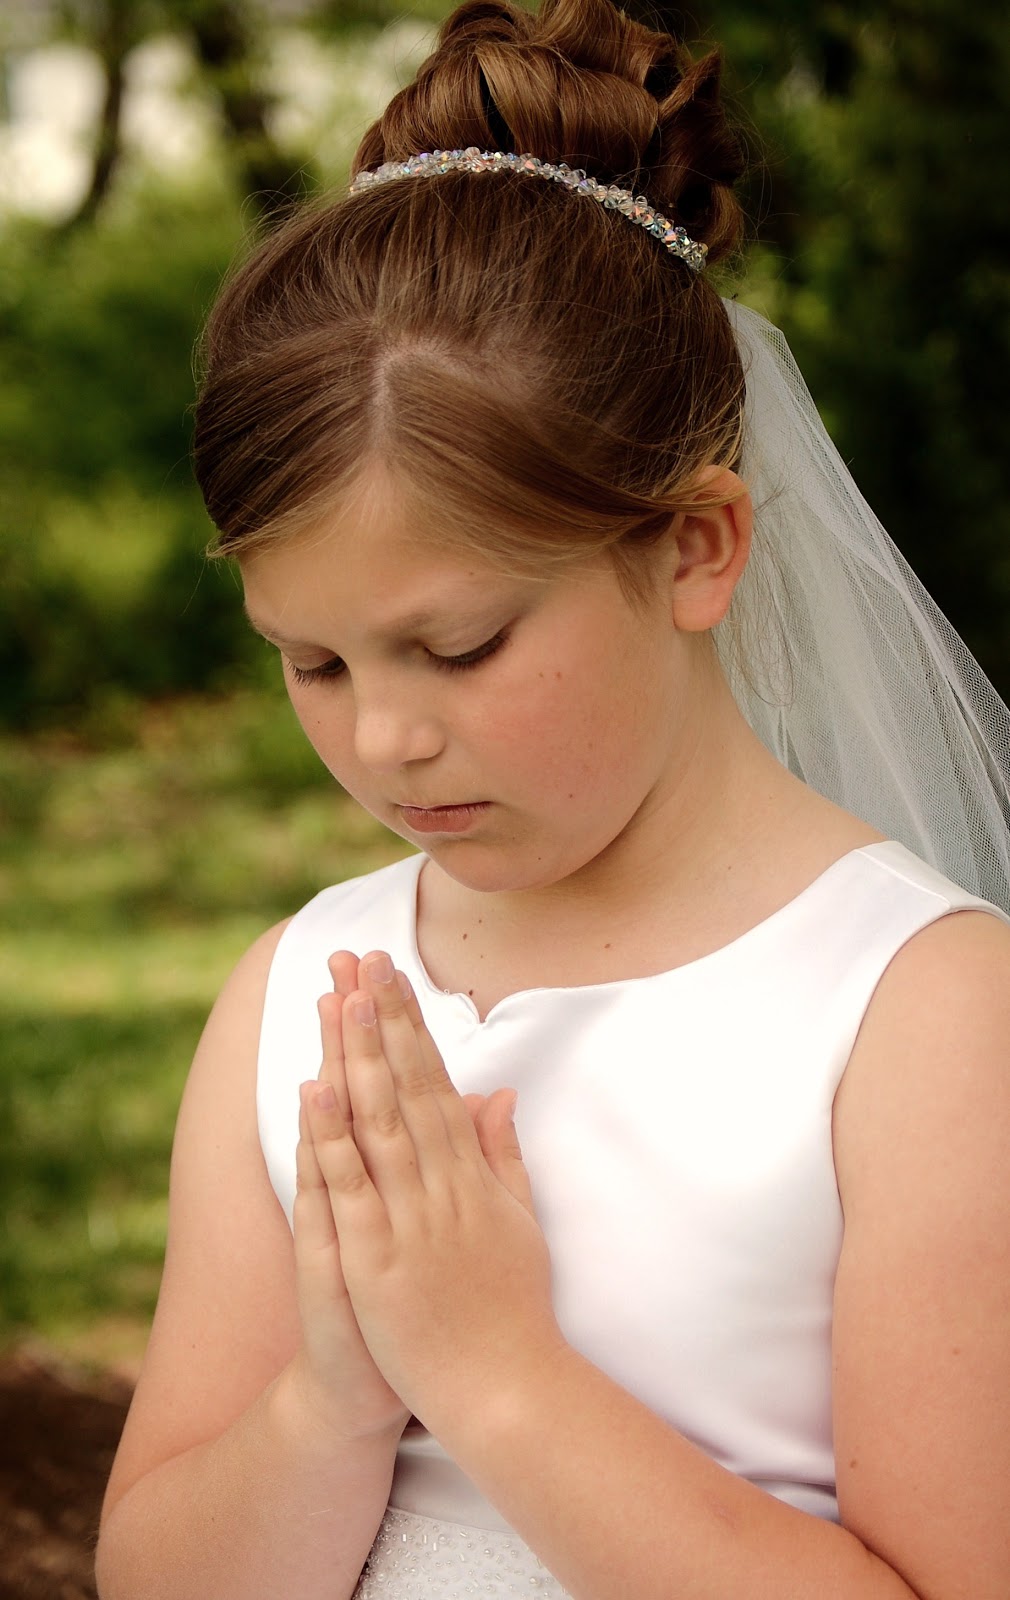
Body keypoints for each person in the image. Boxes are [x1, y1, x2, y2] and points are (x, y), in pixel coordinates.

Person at [95, 1, 1010, 1596]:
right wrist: (335, 1396)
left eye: (457, 647)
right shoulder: (301, 992)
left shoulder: (921, 1021)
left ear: (692, 550)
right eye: (311, 664)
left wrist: (495, 1372)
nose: (381, 742)